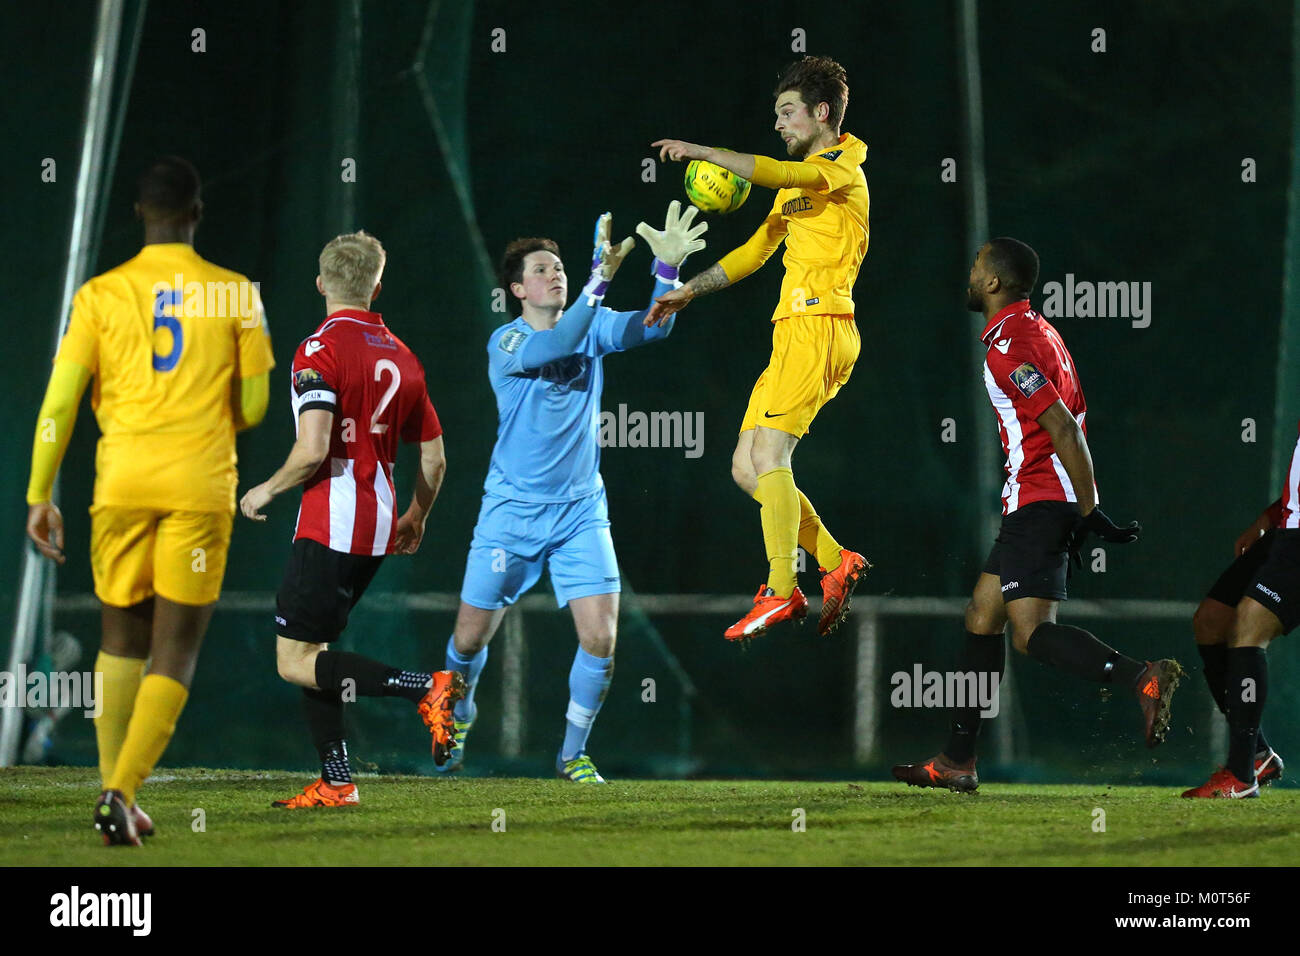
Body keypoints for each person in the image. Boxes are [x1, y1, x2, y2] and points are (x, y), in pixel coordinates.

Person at [25, 156, 275, 844]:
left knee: (119, 639)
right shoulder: (233, 293)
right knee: (175, 649)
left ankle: (117, 796)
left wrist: (38, 492)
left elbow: (59, 403)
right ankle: (121, 789)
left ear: (140, 214)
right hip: (197, 481)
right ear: (196, 213)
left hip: (123, 479)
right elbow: (254, 403)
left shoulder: (100, 294)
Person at [891, 238, 1183, 792]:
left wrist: (1088, 508)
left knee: (1030, 635)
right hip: (1042, 498)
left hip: (1041, 499)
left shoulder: (1010, 348)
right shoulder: (1040, 331)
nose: (971, 272)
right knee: (982, 615)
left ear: (995, 283)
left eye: (977, 265)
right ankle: (957, 760)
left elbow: (1064, 428)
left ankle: (1140, 677)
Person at [438, 205, 704, 783]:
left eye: (559, 266)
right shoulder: (505, 342)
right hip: (510, 514)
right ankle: (459, 713)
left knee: (600, 637)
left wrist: (666, 270)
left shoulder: (594, 321)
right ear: (516, 288)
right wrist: (596, 282)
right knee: (467, 637)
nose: (552, 274)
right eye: (540, 269)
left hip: (581, 513)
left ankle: (572, 754)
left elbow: (654, 327)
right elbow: (550, 349)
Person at [647, 55, 870, 641]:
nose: (779, 123)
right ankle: (834, 559)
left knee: (772, 459)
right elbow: (754, 250)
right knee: (747, 469)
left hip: (820, 325)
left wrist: (707, 153)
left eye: (787, 112)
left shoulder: (841, 167)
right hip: (791, 331)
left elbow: (778, 172)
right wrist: (689, 290)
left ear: (822, 114)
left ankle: (780, 589)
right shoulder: (796, 189)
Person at [240, 231, 463, 808]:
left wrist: (264, 490)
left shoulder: (319, 350)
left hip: (331, 521)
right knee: (314, 655)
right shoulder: (404, 355)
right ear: (377, 286)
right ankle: (337, 781)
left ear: (320, 284)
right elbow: (435, 457)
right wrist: (417, 515)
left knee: (294, 662)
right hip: (379, 521)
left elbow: (313, 450)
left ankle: (426, 687)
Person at [1181, 432, 1298, 797]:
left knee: (1250, 625)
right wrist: (1269, 516)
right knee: (1211, 621)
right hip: (1286, 528)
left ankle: (1241, 774)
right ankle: (1258, 754)